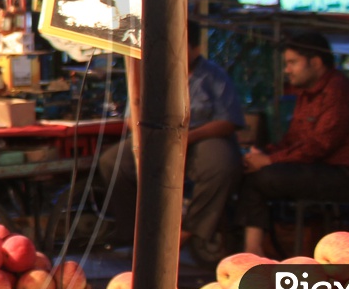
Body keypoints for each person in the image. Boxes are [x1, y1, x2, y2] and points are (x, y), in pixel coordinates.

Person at [97, 20, 244, 265]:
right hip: (157, 138)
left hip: (199, 137)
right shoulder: (153, 74)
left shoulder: (213, 76)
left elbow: (228, 120)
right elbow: (131, 117)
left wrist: (188, 137)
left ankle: (189, 231)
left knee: (223, 164)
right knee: (112, 162)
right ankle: (136, 235)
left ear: (195, 48)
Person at [240, 30, 349, 257]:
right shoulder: (307, 94)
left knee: (261, 177)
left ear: (315, 62)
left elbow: (320, 145)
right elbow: (294, 141)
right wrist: (263, 154)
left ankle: (252, 251)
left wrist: (268, 161)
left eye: (292, 63)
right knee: (248, 170)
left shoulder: (339, 91)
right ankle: (254, 249)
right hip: (321, 168)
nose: (287, 70)